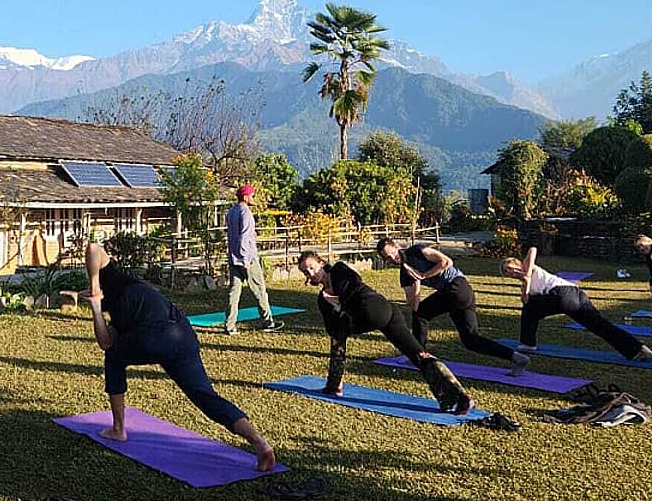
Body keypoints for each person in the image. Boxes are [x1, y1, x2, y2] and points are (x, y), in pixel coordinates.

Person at [81, 243, 276, 471]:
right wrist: (95, 306)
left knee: (115, 357)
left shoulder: (114, 278)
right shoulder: (118, 313)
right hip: (182, 335)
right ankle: (260, 443)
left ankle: (118, 429)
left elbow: (94, 248)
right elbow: (106, 341)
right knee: (205, 395)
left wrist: (94, 286)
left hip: (158, 333)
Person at [297, 250, 474, 415]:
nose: (311, 274)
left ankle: (335, 385)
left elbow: (355, 282)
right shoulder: (323, 299)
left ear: (321, 263)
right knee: (418, 353)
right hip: (387, 311)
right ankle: (458, 396)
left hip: (372, 308)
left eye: (312, 268)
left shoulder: (338, 269)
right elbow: (331, 327)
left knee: (339, 335)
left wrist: (340, 311)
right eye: (306, 272)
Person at [376, 237, 531, 376]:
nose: (393, 259)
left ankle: (419, 356)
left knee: (422, 314)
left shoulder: (417, 250)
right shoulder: (404, 274)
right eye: (388, 258)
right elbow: (414, 305)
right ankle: (518, 358)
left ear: (396, 246)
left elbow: (446, 261)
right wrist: (416, 282)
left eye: (393, 254)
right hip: (455, 293)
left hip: (458, 287)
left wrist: (423, 275)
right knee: (470, 340)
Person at [501, 248, 652, 362]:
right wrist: (526, 283)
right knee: (530, 308)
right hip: (573, 297)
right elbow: (525, 300)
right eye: (507, 273)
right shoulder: (524, 284)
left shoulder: (529, 266)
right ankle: (639, 349)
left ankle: (639, 349)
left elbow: (533, 249)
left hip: (565, 295)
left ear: (518, 263)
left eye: (511, 268)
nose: (511, 273)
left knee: (599, 325)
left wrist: (527, 274)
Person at [223, 184, 282, 335]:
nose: (253, 198)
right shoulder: (246, 212)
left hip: (233, 258)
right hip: (246, 259)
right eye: (252, 195)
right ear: (245, 197)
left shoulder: (231, 212)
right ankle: (268, 322)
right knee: (260, 291)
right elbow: (244, 237)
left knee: (234, 293)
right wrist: (245, 260)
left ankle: (230, 326)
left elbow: (231, 236)